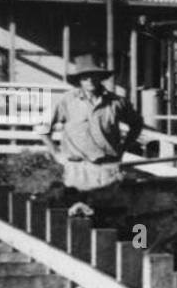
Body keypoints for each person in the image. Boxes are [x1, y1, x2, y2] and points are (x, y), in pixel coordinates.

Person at [38, 53, 143, 191]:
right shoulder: (67, 101)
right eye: (85, 77)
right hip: (77, 168)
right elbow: (42, 128)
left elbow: (137, 124)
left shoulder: (116, 102)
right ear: (79, 81)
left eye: (94, 76)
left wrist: (123, 148)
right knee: (78, 209)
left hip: (108, 168)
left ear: (100, 77)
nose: (90, 80)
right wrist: (56, 153)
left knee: (110, 209)